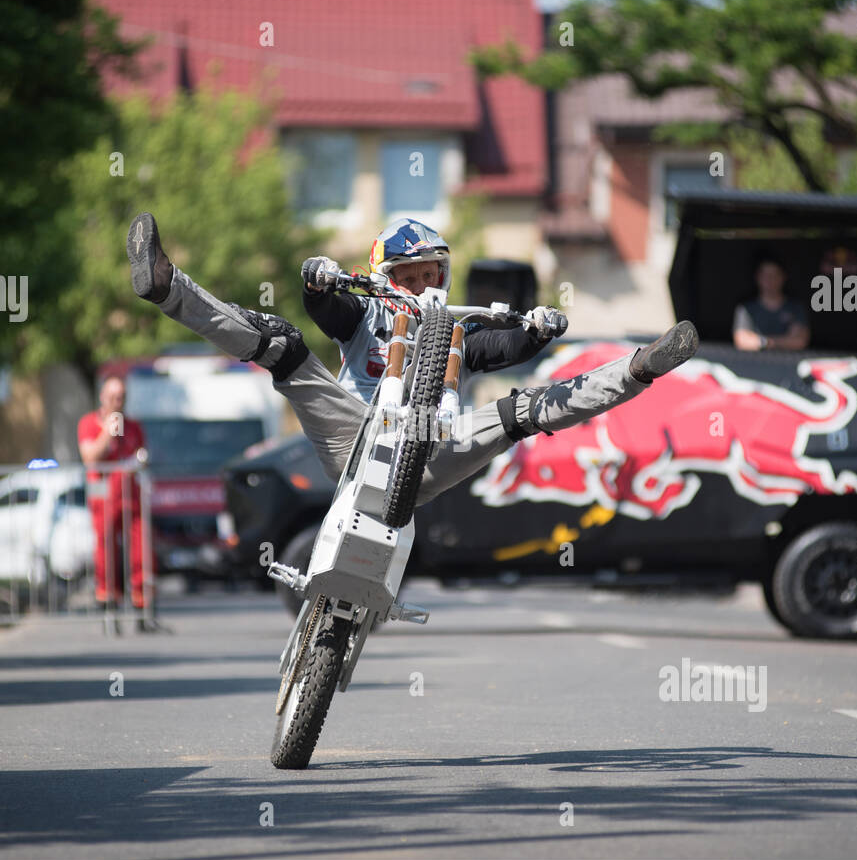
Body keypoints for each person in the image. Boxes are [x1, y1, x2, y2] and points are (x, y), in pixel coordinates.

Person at [125, 212, 698, 509]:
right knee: (283, 345)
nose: (425, 289)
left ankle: (639, 367)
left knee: (522, 411)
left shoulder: (458, 331)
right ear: (382, 279)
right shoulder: (364, 318)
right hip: (355, 437)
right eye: (410, 278)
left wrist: (538, 330)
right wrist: (318, 279)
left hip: (434, 450)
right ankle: (166, 287)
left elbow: (505, 348)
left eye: (433, 277)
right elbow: (326, 310)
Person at [77, 375, 151, 622]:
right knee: (105, 546)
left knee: (141, 548)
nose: (117, 402)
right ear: (102, 397)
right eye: (112, 397)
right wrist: (107, 433)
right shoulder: (89, 423)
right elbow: (90, 458)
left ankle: (142, 601)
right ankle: (107, 596)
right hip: (104, 496)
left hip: (131, 495)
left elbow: (141, 455)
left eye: (121, 398)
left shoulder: (134, 427)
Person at [732, 254, 810, 351]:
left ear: (783, 277)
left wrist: (766, 342)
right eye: (766, 275)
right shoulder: (746, 308)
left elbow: (799, 341)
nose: (770, 280)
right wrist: (769, 342)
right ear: (758, 277)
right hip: (753, 362)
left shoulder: (795, 308)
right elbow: (742, 340)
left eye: (774, 275)